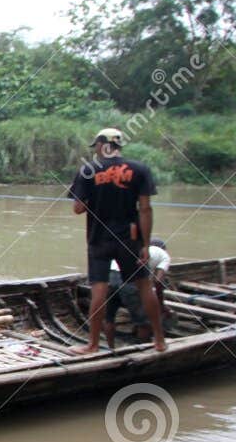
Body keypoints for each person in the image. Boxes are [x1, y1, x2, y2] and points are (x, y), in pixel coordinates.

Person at [67, 127, 165, 354]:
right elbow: (145, 209)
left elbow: (78, 208)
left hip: (99, 239)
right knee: (144, 286)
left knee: (99, 289)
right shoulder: (140, 170)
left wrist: (97, 199)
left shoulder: (88, 170)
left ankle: (92, 345)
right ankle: (159, 340)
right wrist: (145, 244)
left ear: (102, 145)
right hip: (130, 239)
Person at [104, 237, 170, 348]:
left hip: (109, 277)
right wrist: (161, 305)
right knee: (145, 320)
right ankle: (144, 348)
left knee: (109, 317)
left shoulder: (138, 248)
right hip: (128, 279)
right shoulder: (164, 255)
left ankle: (111, 349)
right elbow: (158, 281)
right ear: (164, 248)